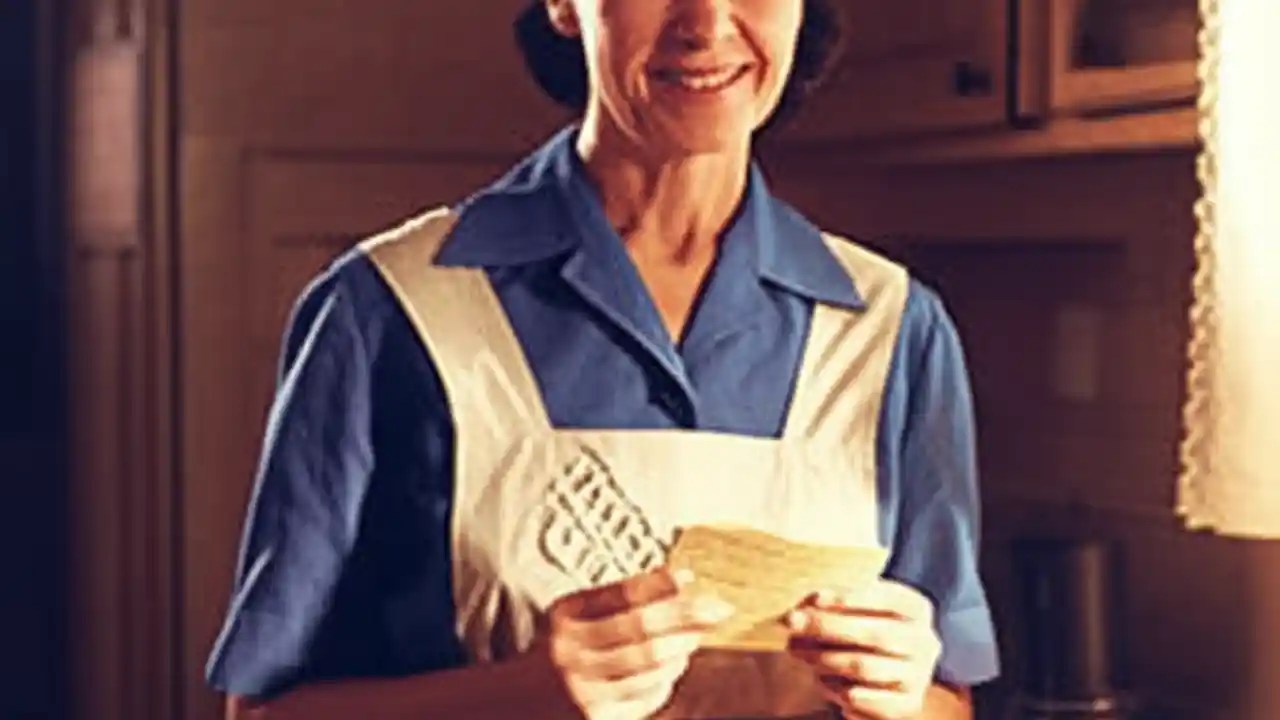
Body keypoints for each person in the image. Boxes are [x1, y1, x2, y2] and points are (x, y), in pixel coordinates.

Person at [205, 0, 1000, 718]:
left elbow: (948, 705)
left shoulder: (894, 330)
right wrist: (524, 695)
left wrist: (902, 700)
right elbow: (262, 715)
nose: (707, 25)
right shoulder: (386, 312)